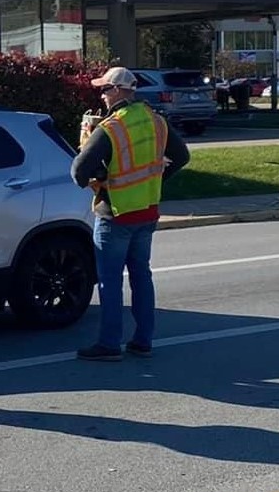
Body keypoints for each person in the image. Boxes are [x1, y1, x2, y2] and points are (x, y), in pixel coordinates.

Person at [72, 67, 190, 361]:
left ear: (117, 91)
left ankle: (110, 344)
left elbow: (78, 172)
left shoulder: (111, 128)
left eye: (104, 90)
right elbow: (182, 156)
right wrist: (156, 179)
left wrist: (96, 167)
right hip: (147, 212)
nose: (102, 96)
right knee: (141, 276)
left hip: (115, 214)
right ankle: (143, 340)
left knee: (110, 282)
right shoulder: (156, 121)